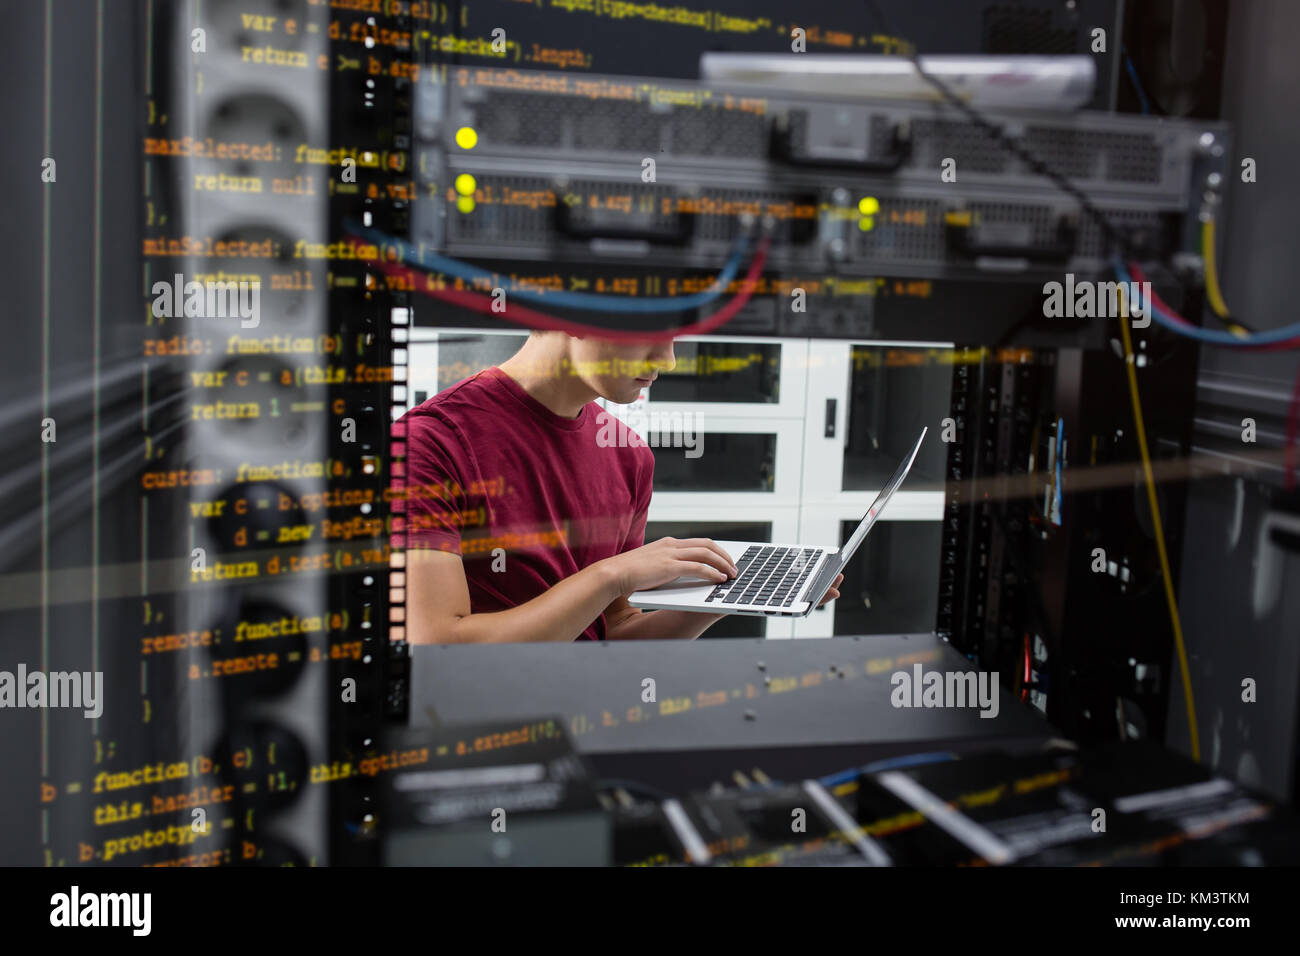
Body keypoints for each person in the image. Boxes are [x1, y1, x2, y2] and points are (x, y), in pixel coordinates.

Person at [398, 329, 841, 643]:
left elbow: (616, 631)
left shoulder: (629, 455)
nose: (667, 359)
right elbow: (437, 645)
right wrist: (612, 575)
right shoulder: (430, 441)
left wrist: (736, 596)